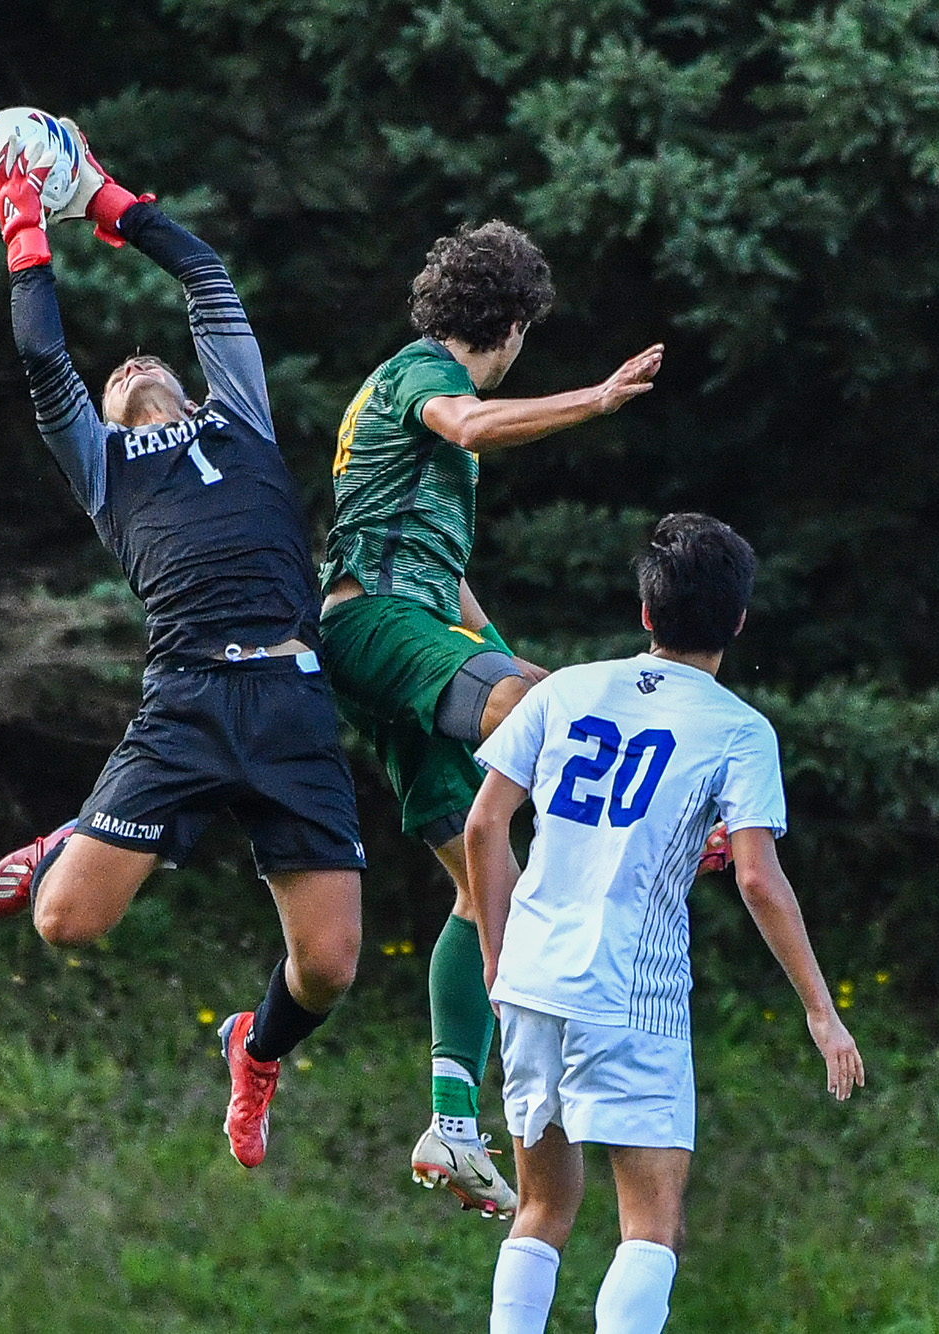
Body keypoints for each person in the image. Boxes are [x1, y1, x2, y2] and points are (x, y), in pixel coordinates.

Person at [0, 119, 366, 1169]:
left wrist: (110, 202)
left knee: (328, 966)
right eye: (115, 374)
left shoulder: (241, 414)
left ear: (187, 384)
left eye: (149, 360)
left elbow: (204, 276)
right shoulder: (102, 465)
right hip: (185, 701)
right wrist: (23, 229)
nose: (132, 363)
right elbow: (41, 354)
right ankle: (73, 837)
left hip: (289, 701)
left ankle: (254, 1048)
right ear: (103, 417)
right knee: (62, 922)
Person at [315, 220, 686, 1216]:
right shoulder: (422, 377)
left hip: (406, 630)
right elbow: (469, 428)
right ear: (514, 326)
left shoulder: (414, 404)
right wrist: (597, 398)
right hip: (378, 623)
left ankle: (449, 1122)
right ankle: (638, 875)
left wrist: (514, 660)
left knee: (486, 895)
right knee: (535, 716)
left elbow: (446, 576)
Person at [462, 513, 865, 1334]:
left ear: (646, 612)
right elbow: (757, 877)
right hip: (629, 989)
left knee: (541, 1208)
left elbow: (484, 825)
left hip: (532, 976)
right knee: (651, 1225)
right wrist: (821, 1013)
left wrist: (496, 958)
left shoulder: (565, 689)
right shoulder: (738, 729)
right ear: (739, 621)